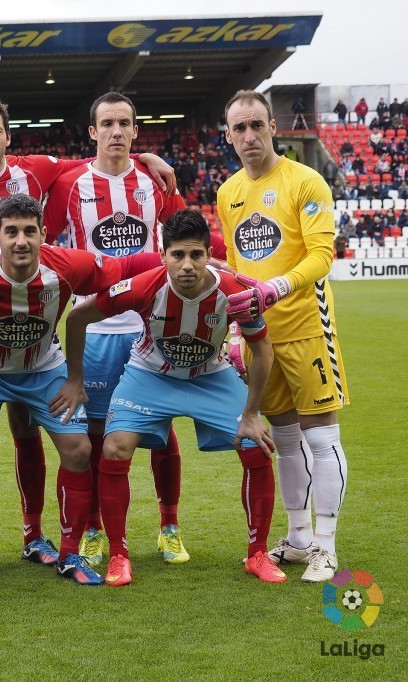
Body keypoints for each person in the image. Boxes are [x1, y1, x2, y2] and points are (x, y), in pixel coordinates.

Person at [0, 95, 175, 568]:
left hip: (35, 318)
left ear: (8, 137)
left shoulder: (34, 172)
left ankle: (35, 534)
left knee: (31, 429)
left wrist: (139, 156)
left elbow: (97, 154)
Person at [61, 208, 286, 586]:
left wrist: (251, 413)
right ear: (163, 255)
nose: (186, 265)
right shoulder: (145, 286)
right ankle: (118, 554)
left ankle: (257, 554)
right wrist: (74, 380)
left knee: (257, 445)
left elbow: (263, 351)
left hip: (211, 377)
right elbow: (77, 318)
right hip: (149, 377)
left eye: (196, 255)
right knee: (114, 448)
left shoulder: (233, 291)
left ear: (208, 256)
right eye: (177, 255)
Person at [43, 92, 190, 571]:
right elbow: (47, 245)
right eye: (107, 123)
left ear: (135, 129)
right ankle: (93, 529)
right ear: (93, 132)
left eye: (125, 123)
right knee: (97, 434)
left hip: (150, 325)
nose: (117, 132)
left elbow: (184, 235)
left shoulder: (153, 179)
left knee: (162, 430)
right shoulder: (69, 182)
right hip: (98, 328)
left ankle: (169, 527)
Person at [219, 89, 349, 583]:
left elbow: (321, 256)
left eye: (257, 125)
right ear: (229, 136)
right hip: (261, 339)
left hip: (307, 328)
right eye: (240, 128)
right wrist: (235, 327)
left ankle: (326, 545)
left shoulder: (306, 181)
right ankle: (297, 540)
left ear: (273, 127)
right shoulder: (228, 192)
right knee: (286, 441)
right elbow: (235, 267)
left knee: (321, 436)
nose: (249, 136)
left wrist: (277, 286)